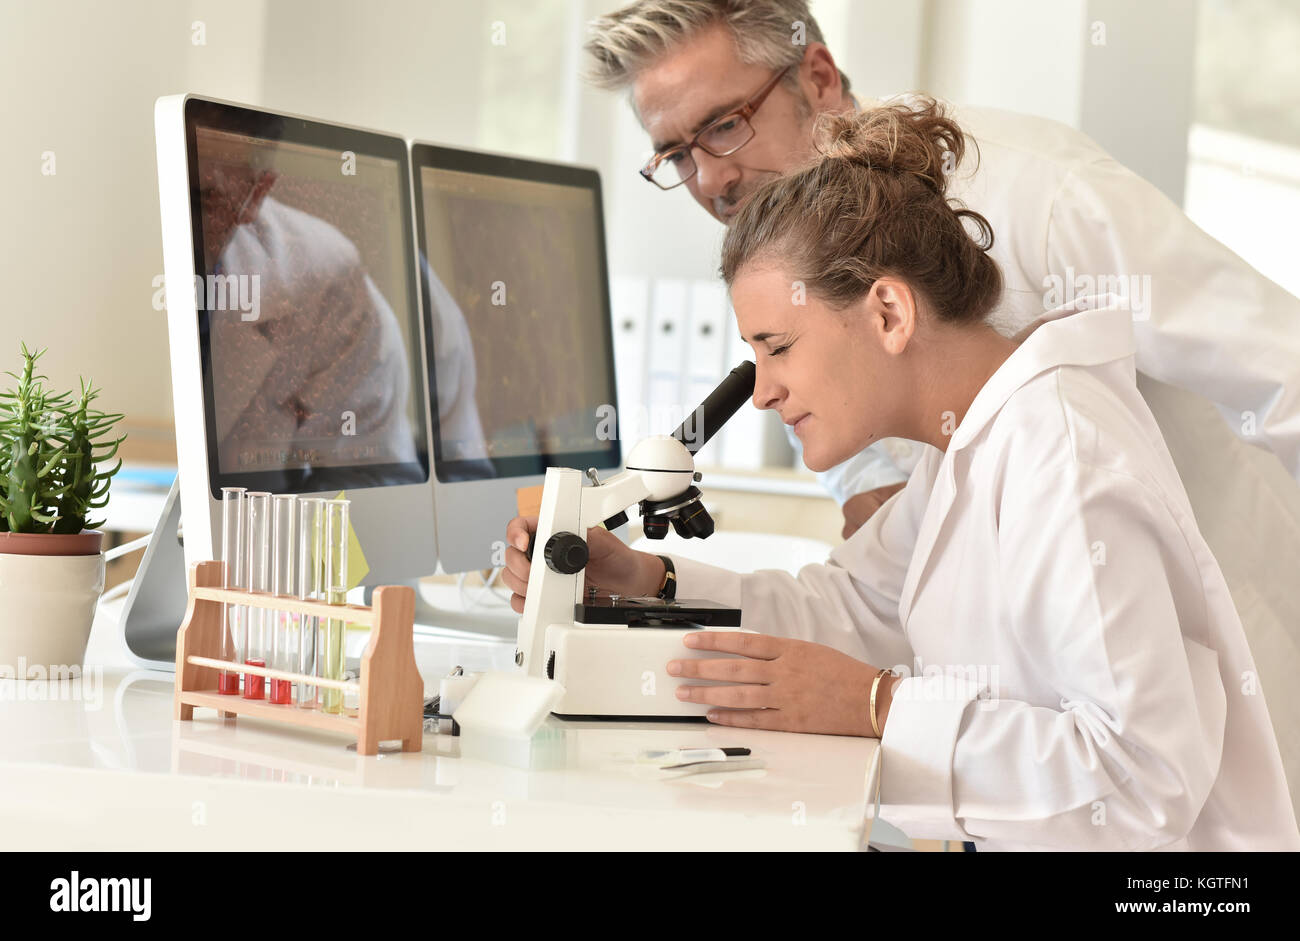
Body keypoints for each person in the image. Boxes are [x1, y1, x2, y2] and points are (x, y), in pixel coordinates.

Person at [503, 100, 1299, 851]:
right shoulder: (973, 443)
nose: (766, 388)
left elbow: (1139, 780)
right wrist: (651, 577)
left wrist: (876, 705)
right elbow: (856, 603)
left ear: (888, 313)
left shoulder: (1060, 453)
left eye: (778, 347)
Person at [582, 0, 1300, 538]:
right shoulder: (798, 277)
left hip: (1241, 643)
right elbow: (884, 510)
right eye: (677, 154)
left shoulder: (1041, 197)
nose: (708, 180)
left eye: (724, 125)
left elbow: (1283, 373)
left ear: (820, 76)